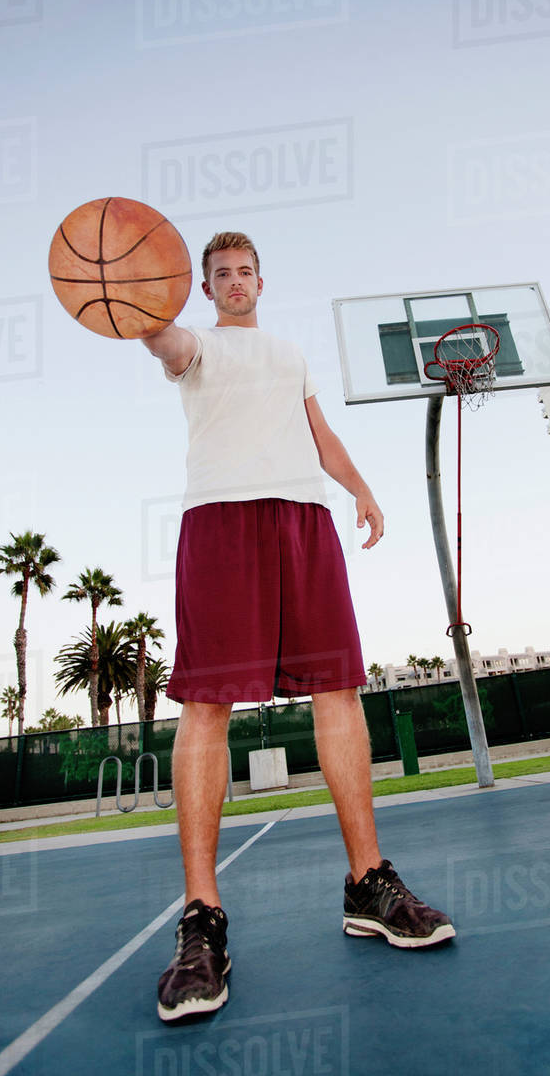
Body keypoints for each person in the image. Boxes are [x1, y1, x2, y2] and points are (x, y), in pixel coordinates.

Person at [143, 231, 454, 1023]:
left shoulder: (289, 353)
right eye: (222, 275)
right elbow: (162, 339)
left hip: (303, 520)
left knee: (339, 691)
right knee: (206, 705)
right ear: (207, 289)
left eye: (246, 271)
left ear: (260, 281)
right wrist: (139, 310)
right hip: (218, 521)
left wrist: (362, 490)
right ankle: (202, 919)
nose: (236, 282)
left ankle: (367, 883)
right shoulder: (198, 347)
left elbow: (321, 434)